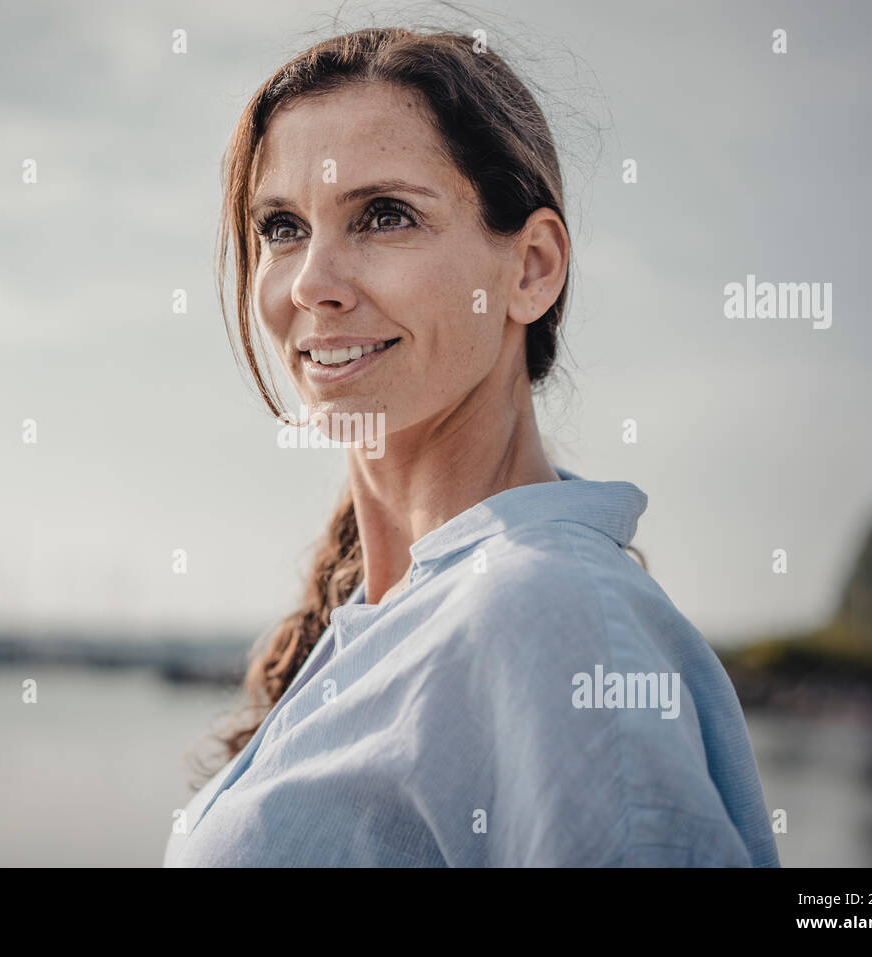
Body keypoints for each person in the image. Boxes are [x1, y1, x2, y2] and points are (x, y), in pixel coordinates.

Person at [164, 26, 779, 867]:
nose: (311, 283)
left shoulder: (544, 609)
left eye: (384, 216)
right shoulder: (396, 617)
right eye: (281, 227)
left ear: (531, 267)